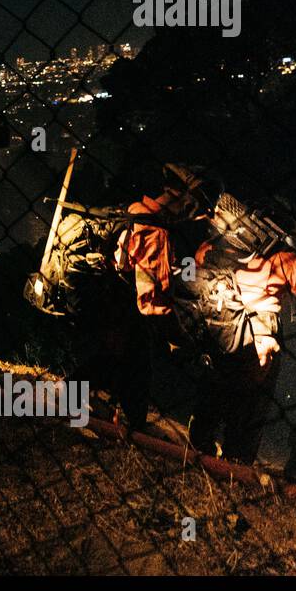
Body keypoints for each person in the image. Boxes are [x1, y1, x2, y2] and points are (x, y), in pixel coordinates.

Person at [184, 195, 296, 463]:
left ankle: (195, 457)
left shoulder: (211, 247)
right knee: (249, 411)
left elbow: (194, 275)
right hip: (258, 344)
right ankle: (235, 469)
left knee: (210, 398)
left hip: (216, 335)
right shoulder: (283, 259)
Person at [107, 163, 218, 429]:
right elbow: (152, 304)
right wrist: (182, 340)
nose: (193, 218)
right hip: (121, 316)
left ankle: (108, 413)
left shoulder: (135, 210)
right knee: (138, 361)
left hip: (105, 307)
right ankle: (132, 430)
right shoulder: (154, 231)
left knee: (119, 360)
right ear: (189, 203)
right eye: (197, 211)